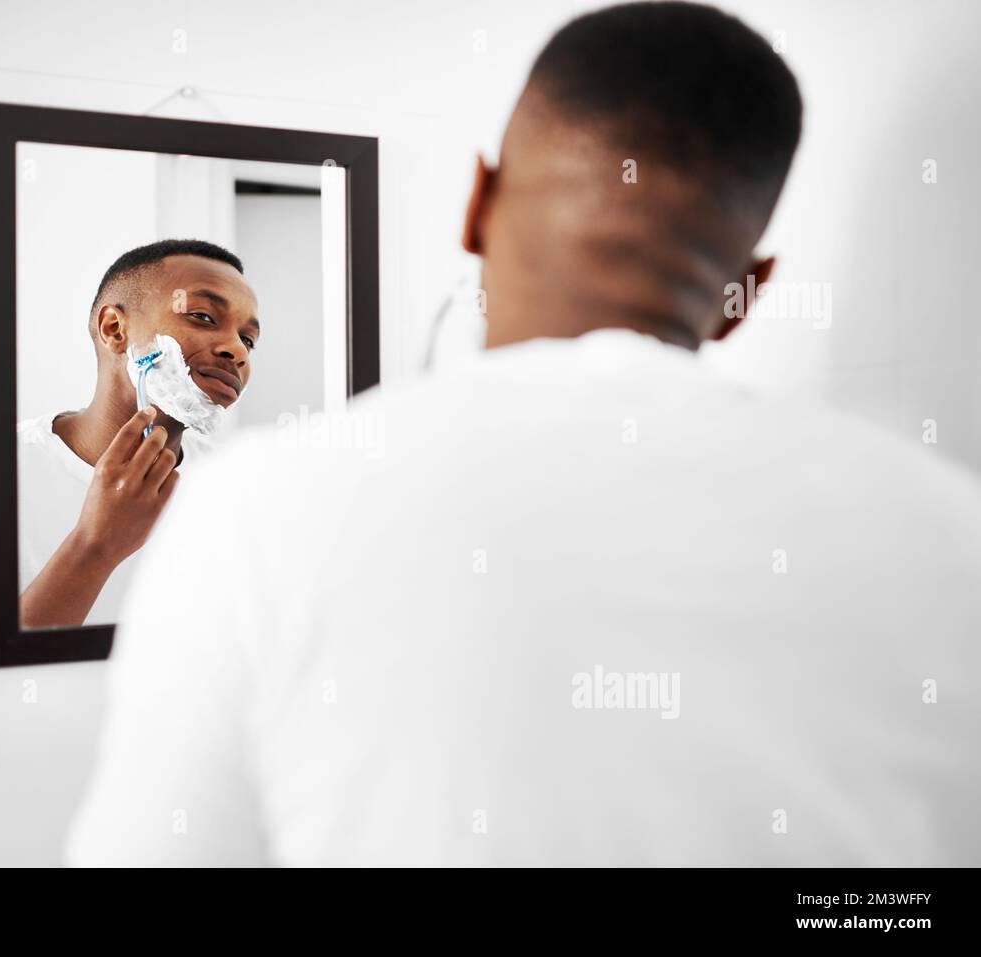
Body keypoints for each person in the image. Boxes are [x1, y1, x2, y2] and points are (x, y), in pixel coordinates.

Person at [65, 2, 981, 865]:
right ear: (751, 286)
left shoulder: (258, 511)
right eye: (204, 317)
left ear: (476, 204)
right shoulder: (949, 530)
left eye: (249, 333)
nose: (230, 350)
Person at [18, 239, 260, 628]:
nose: (238, 350)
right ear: (115, 329)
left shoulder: (237, 484)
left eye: (248, 339)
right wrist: (95, 545)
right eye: (201, 316)